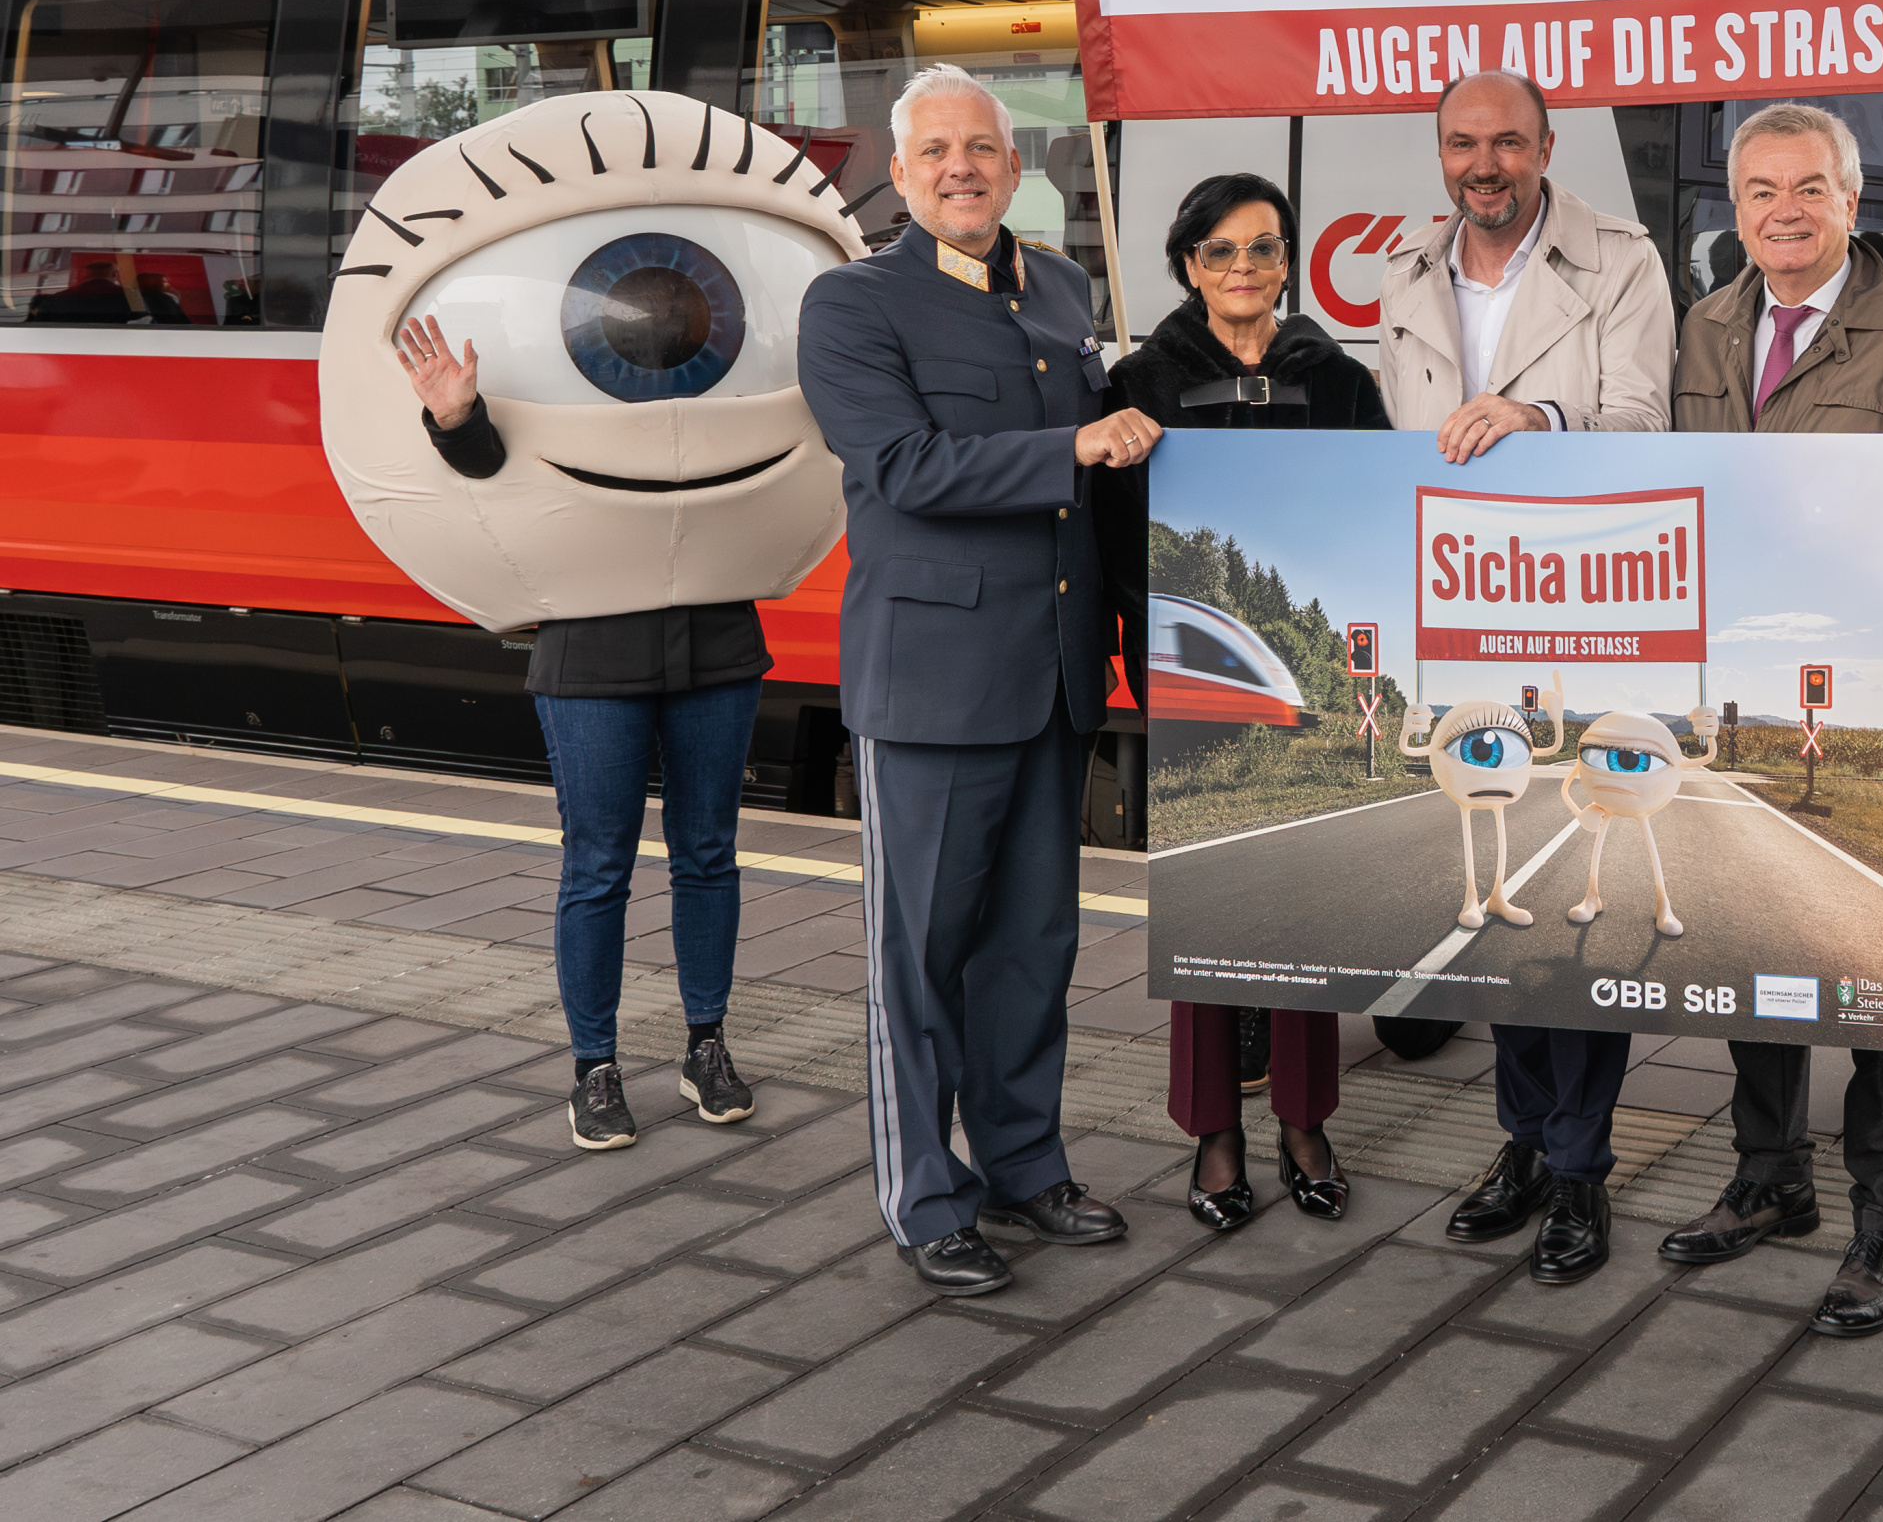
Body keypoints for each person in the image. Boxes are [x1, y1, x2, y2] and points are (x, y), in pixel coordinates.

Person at [795, 64, 1161, 1299]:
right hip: (934, 682)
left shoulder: (1059, 284)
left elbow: (1108, 483)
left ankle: (1022, 1162)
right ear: (898, 175)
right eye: (935, 150)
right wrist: (1069, 443)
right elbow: (904, 466)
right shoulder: (850, 306)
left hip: (1054, 676)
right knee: (923, 956)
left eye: (982, 149)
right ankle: (924, 1194)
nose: (961, 167)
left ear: (1017, 169)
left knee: (1030, 944)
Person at [1660, 103, 1883, 1338]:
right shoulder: (1707, 324)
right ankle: (1767, 1178)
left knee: (1875, 965)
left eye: (1807, 188)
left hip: (1875, 690)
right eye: (1757, 190)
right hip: (1740, 677)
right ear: (1731, 209)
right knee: (1751, 937)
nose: (1780, 210)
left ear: (1853, 203)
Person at [1378, 68, 1675, 1285]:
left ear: (1548, 147)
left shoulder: (1622, 259)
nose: (1483, 162)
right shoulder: (1406, 265)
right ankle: (1518, 1140)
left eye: (1507, 140)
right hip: (1457, 603)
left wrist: (1537, 422)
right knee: (1492, 877)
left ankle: (1578, 1166)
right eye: (1461, 143)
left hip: (1583, 598)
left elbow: (1646, 422)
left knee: (1572, 894)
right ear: (1438, 153)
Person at [1097, 172, 1388, 1234]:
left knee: (1309, 898)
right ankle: (1214, 1130)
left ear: (1288, 263)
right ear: (1185, 264)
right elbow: (1114, 535)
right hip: (1196, 673)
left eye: (1264, 250)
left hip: (1307, 676)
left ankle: (1305, 1120)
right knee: (1209, 904)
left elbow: (1374, 509)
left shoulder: (1339, 379)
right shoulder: (1141, 381)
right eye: (1219, 251)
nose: (1243, 270)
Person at [394, 315, 760, 1153]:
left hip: (718, 643)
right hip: (590, 653)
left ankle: (707, 1044)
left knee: (709, 852)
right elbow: (496, 469)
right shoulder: (562, 357)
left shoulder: (733, 363)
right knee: (598, 864)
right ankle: (595, 1067)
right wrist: (455, 416)